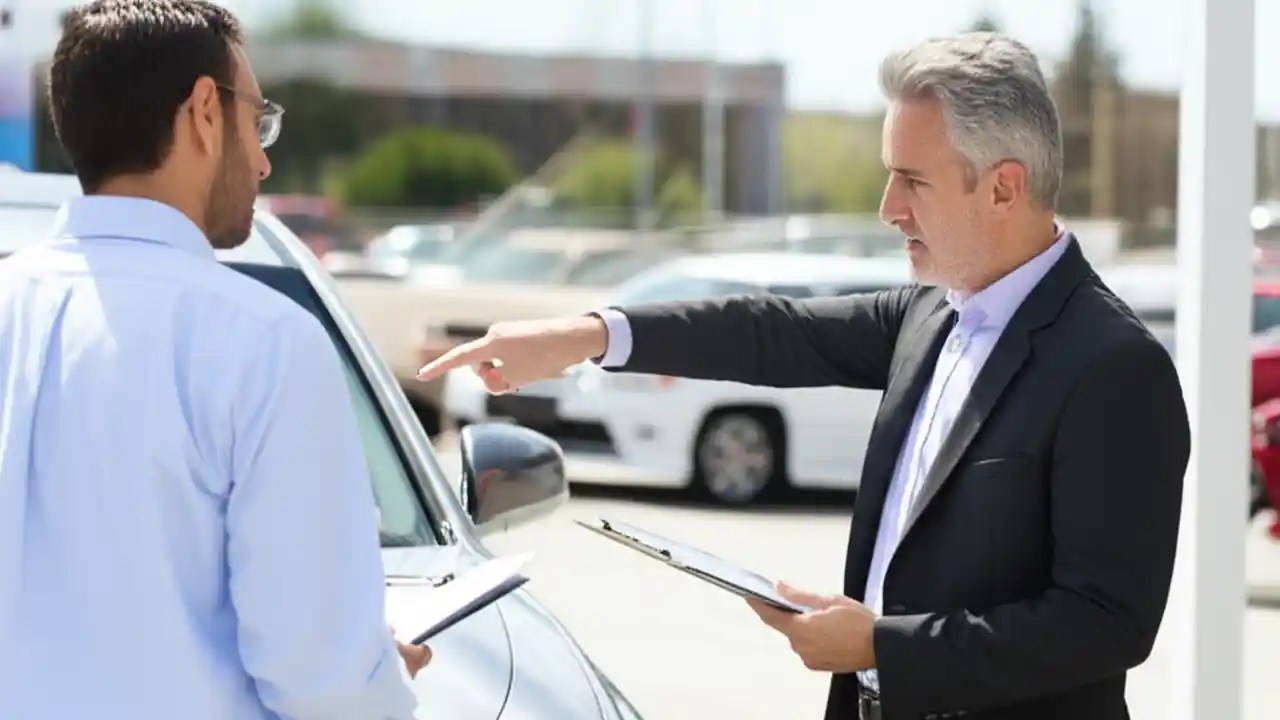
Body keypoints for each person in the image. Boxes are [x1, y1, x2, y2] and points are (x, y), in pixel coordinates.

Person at [417, 32, 1191, 720]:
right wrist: (585, 336)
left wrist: (885, 647)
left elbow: (1104, 623)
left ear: (1003, 187)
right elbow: (770, 332)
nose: (889, 207)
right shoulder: (931, 314)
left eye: (913, 180)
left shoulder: (1114, 368)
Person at [0, 1, 426, 718]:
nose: (262, 160)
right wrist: (383, 673)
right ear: (203, 111)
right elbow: (321, 680)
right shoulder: (264, 342)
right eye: (257, 123)